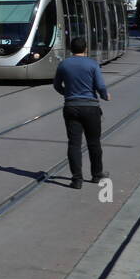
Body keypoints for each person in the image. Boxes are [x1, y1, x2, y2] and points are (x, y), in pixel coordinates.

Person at [53, 36, 110, 190]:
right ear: (85, 49)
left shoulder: (64, 64)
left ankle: (77, 180)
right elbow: (100, 85)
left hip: (71, 107)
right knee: (94, 142)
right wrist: (105, 96)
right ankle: (97, 175)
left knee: (74, 144)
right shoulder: (92, 64)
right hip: (90, 108)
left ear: (71, 49)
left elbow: (57, 85)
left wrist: (68, 93)